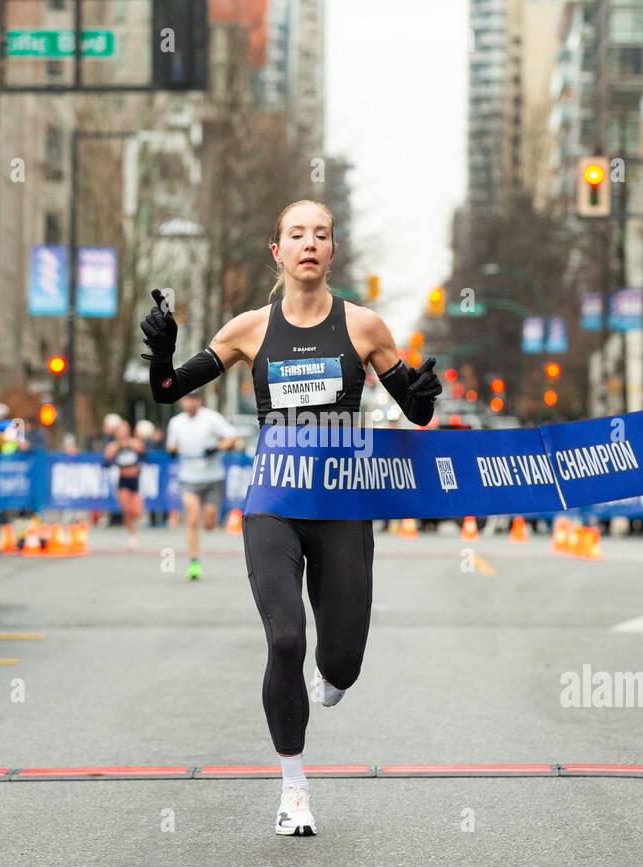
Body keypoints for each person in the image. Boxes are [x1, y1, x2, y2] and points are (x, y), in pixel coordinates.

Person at [142, 199, 440, 834]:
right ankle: (293, 789)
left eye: (321, 234)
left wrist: (417, 399)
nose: (310, 243)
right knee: (284, 639)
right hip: (273, 503)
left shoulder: (364, 328)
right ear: (277, 251)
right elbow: (169, 392)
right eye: (296, 234)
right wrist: (162, 355)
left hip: (341, 506)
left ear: (333, 251)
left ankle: (332, 674)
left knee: (341, 663)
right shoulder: (249, 329)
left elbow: (416, 413)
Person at [165, 391, 243, 579]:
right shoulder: (175, 423)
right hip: (188, 478)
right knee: (192, 519)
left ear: (199, 401)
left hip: (213, 477)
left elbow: (234, 437)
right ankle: (193, 563)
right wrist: (173, 450)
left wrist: (217, 447)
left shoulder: (212, 418)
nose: (189, 403)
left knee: (208, 523)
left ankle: (209, 524)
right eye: (186, 399)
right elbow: (170, 446)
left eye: (193, 399)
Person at [104, 420, 146, 549]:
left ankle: (135, 526)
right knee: (126, 509)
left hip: (135, 478)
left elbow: (141, 449)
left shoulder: (135, 441)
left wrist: (129, 444)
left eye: (124, 430)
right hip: (123, 479)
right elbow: (108, 455)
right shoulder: (113, 445)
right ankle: (131, 535)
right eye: (120, 430)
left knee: (137, 511)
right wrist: (119, 446)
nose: (122, 433)